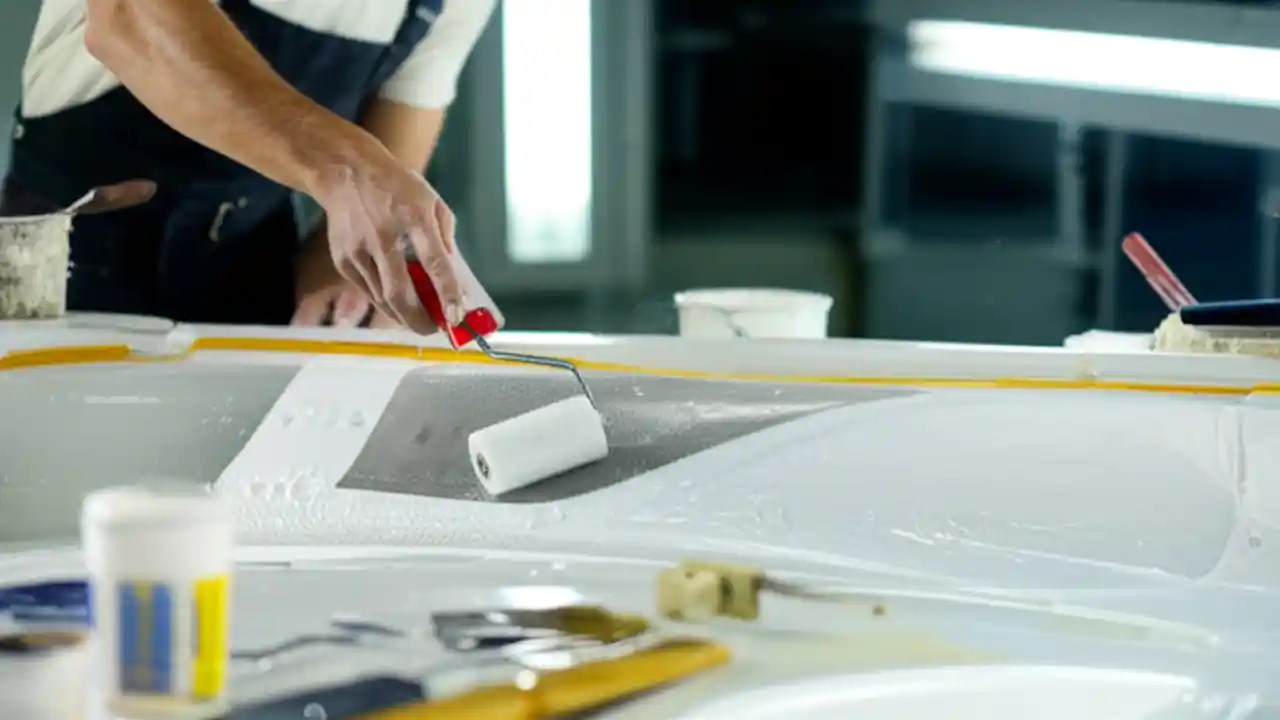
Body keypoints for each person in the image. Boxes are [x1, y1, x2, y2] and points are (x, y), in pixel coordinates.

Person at [0, 0, 497, 331]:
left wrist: (349, 273)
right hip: (64, 273)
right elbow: (130, 19)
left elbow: (393, 154)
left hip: (253, 286)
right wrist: (347, 171)